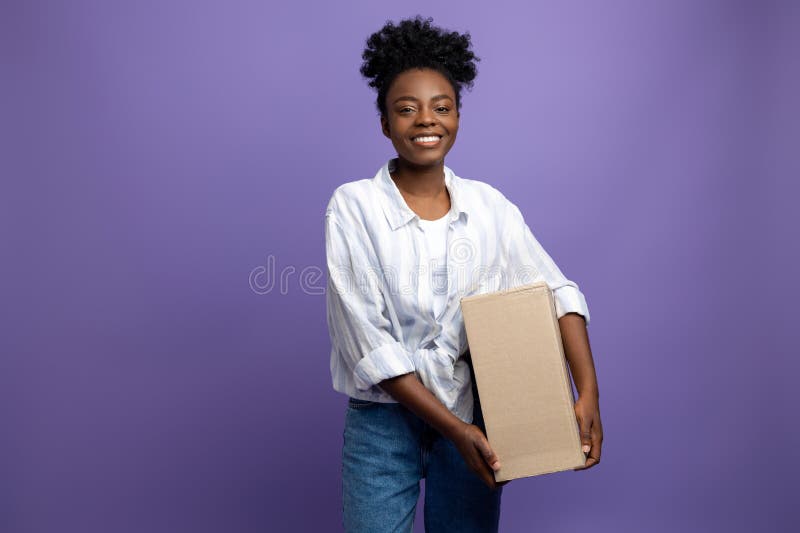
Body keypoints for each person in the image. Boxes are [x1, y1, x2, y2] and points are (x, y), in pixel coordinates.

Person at [324, 15, 603, 533]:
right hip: (384, 422)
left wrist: (587, 392)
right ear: (385, 122)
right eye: (406, 109)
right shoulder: (353, 206)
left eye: (441, 107)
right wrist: (454, 430)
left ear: (458, 116)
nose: (425, 121)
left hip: (477, 411)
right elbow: (369, 344)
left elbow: (556, 292)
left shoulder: (489, 206)